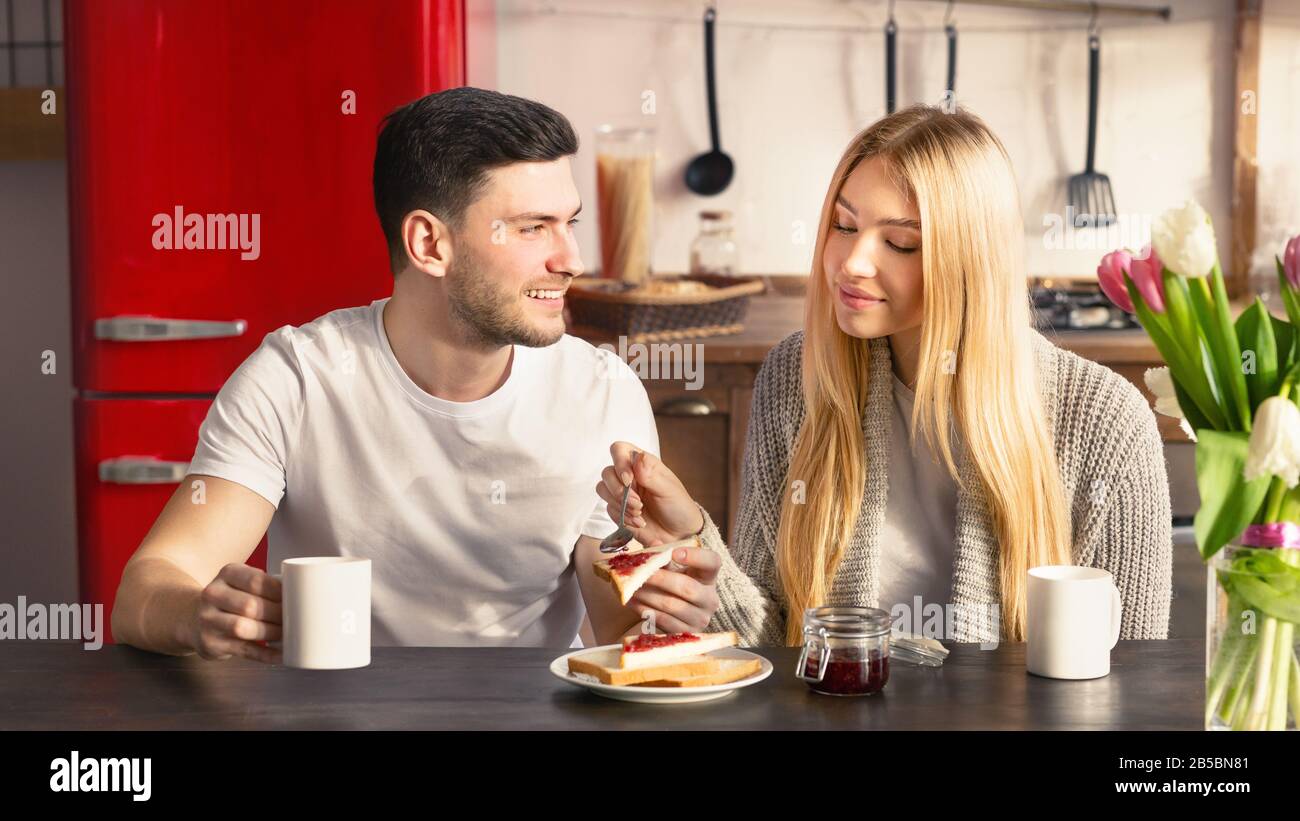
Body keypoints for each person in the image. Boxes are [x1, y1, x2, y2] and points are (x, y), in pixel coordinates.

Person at [111, 87, 687, 660]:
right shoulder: (296, 378)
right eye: (533, 228)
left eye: (570, 223)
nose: (572, 260)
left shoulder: (601, 392)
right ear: (429, 243)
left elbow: (621, 631)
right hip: (331, 715)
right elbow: (146, 589)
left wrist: (669, 594)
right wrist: (195, 615)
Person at [597, 104, 1172, 646]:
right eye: (844, 226)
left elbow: (1135, 681)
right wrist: (691, 534)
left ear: (971, 262)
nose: (852, 262)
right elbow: (775, 646)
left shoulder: (1105, 420)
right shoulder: (796, 380)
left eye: (900, 242)